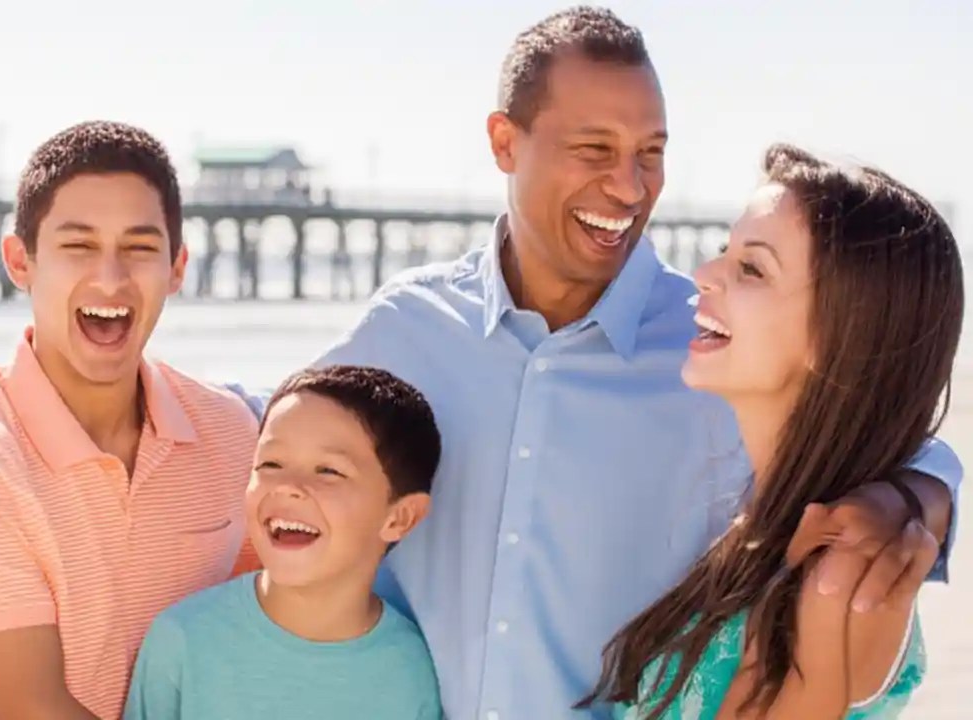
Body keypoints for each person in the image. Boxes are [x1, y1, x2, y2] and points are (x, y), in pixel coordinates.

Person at [227, 7, 962, 718]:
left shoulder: (707, 346)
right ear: (504, 142)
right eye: (595, 150)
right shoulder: (404, 328)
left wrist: (914, 496)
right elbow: (266, 429)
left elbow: (872, 421)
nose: (630, 187)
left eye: (651, 153)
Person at [0, 120, 259, 720]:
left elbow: (271, 632)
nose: (111, 279)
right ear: (20, 260)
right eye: (79, 245)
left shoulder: (233, 432)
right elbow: (34, 710)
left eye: (140, 247)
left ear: (176, 267)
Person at [581, 144, 961, 718]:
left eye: (751, 269)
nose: (704, 276)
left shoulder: (849, 575)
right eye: (722, 254)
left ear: (838, 337)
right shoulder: (757, 528)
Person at [123, 365, 443, 719]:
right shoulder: (182, 641)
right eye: (271, 463)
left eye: (329, 471)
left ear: (400, 518)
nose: (287, 485)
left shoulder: (412, 670)